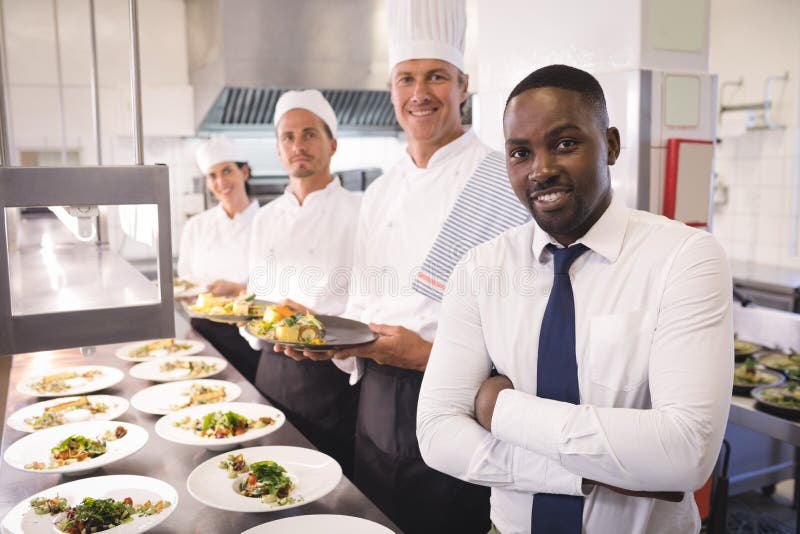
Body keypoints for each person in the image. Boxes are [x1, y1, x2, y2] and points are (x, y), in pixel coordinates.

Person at [417, 64, 733, 533]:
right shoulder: (480, 269)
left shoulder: (684, 258)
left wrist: (499, 409)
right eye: (520, 153)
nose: (541, 169)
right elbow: (437, 433)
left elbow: (686, 454)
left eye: (565, 143)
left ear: (611, 145)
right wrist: (581, 475)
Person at [274, 1, 529, 532]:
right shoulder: (381, 191)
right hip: (374, 403)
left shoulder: (501, 181)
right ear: (391, 91)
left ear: (463, 86)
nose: (420, 93)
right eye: (406, 79)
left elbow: (522, 333)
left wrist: (425, 356)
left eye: (436, 76)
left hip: (458, 403)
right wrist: (324, 335)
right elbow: (363, 302)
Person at [241, 89, 362, 477]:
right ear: (279, 151)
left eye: (309, 134)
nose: (298, 146)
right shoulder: (265, 217)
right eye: (288, 137)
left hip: (332, 376)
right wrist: (250, 314)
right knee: (268, 478)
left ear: (332, 144)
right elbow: (255, 295)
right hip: (270, 370)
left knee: (330, 487)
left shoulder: (361, 211)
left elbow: (372, 303)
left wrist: (314, 322)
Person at [178, 136, 261, 379]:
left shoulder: (268, 222)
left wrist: (237, 289)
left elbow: (282, 287)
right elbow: (185, 282)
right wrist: (189, 294)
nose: (221, 182)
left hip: (252, 332)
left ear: (244, 172)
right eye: (212, 176)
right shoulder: (195, 226)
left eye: (227, 171)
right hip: (203, 332)